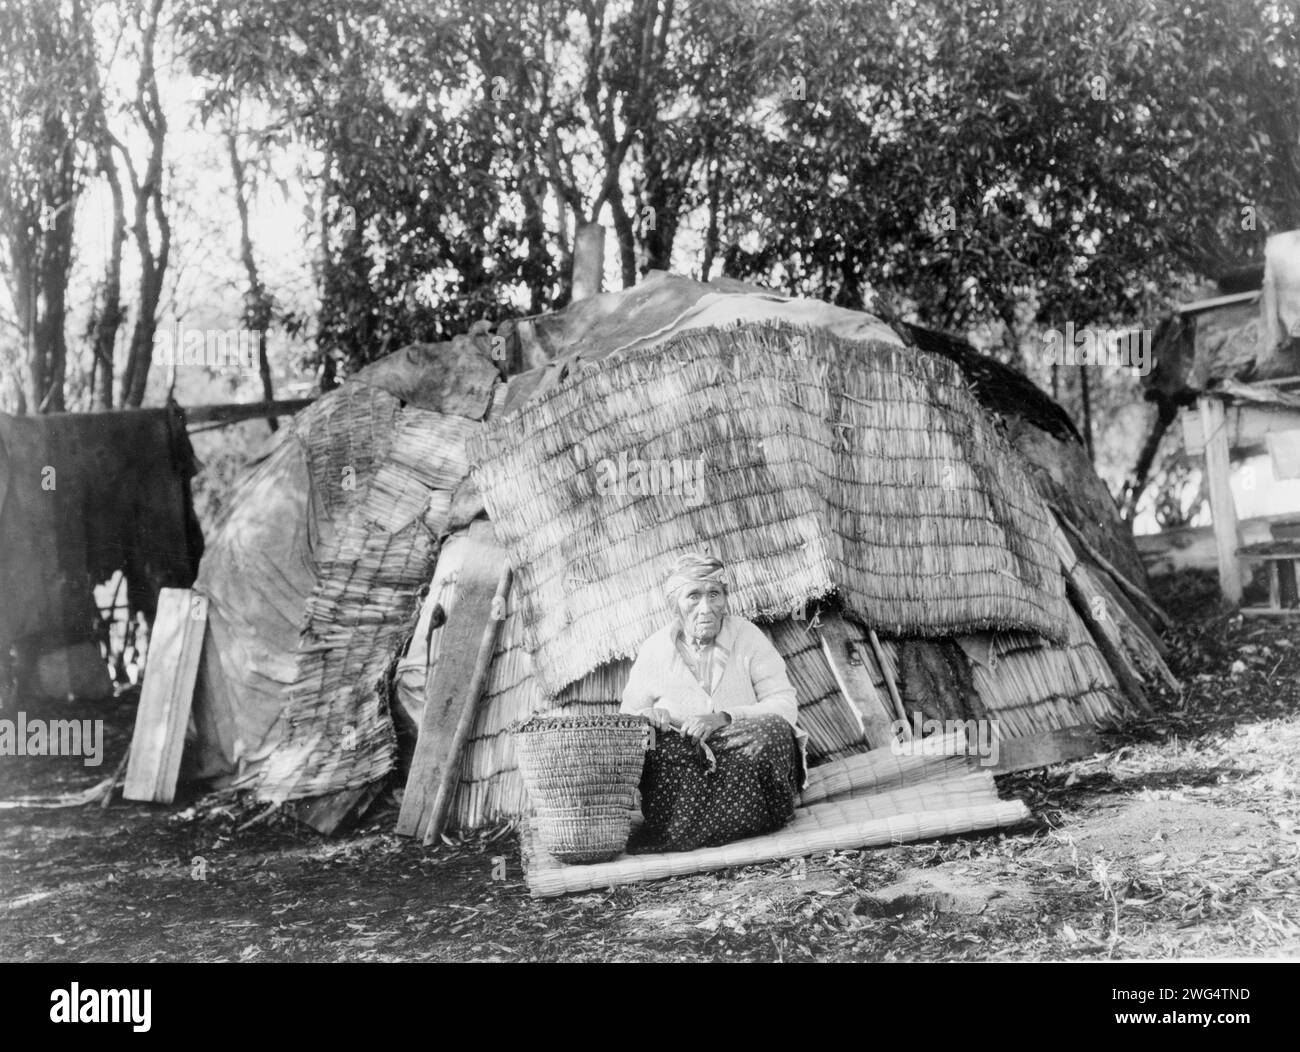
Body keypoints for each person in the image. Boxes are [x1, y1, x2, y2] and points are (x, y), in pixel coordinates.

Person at [620, 552, 807, 851]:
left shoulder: (747, 636)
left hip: (741, 756)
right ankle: (729, 825)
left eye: (714, 595)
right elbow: (625, 722)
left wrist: (724, 717)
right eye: (693, 596)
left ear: (725, 600)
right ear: (675, 605)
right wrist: (648, 717)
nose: (706, 608)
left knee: (773, 730)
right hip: (686, 769)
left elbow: (784, 705)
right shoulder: (655, 650)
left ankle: (693, 832)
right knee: (652, 746)